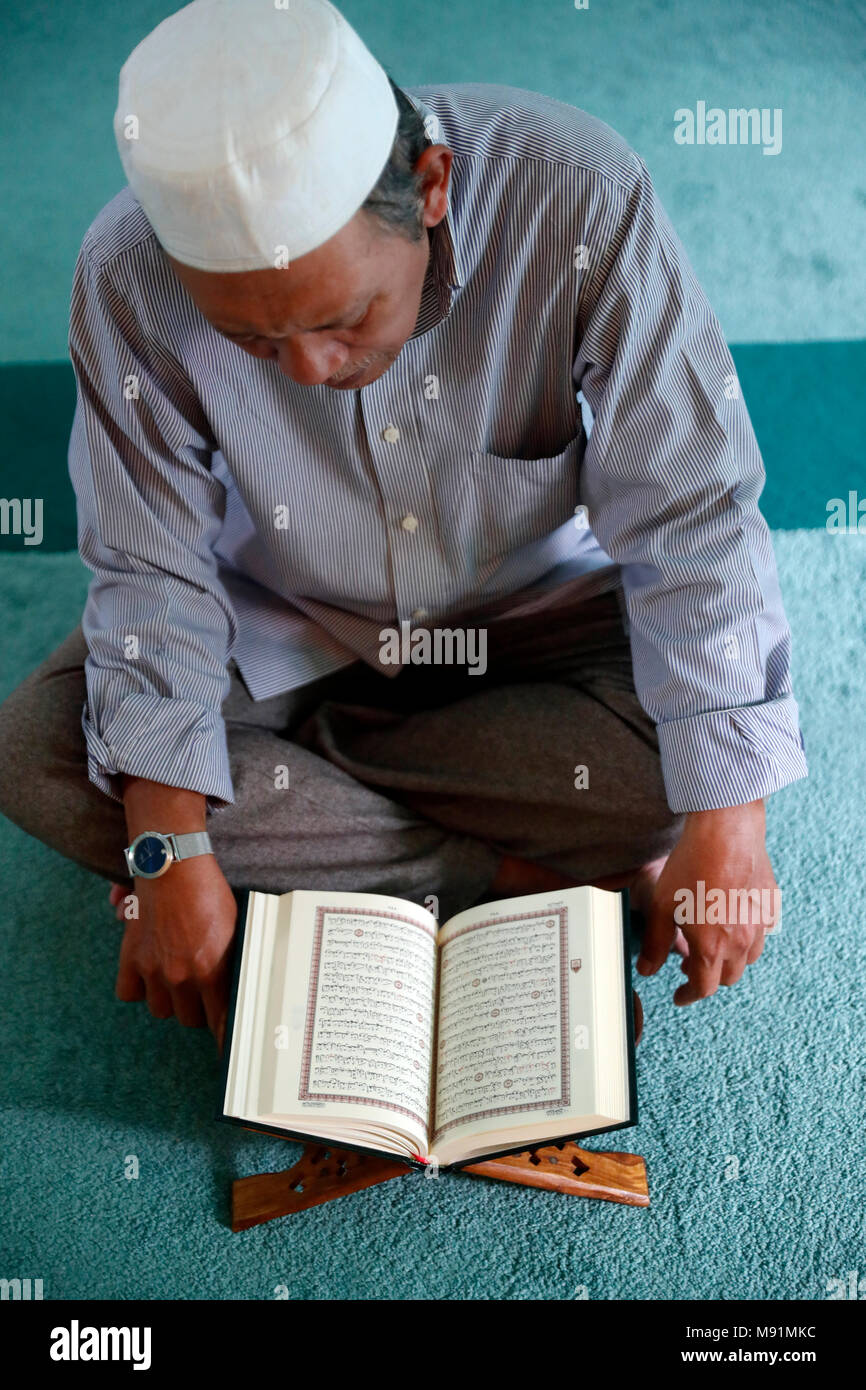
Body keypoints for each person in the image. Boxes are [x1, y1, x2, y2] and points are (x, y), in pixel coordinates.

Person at [0, 0, 805, 1047]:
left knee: (696, 768)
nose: (306, 372)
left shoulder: (579, 195)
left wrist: (727, 821)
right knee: (37, 755)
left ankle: (320, 809)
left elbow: (689, 508)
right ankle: (504, 873)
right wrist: (166, 848)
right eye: (249, 338)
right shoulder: (125, 275)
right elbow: (148, 564)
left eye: (341, 320)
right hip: (283, 625)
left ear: (430, 189)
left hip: (538, 620)